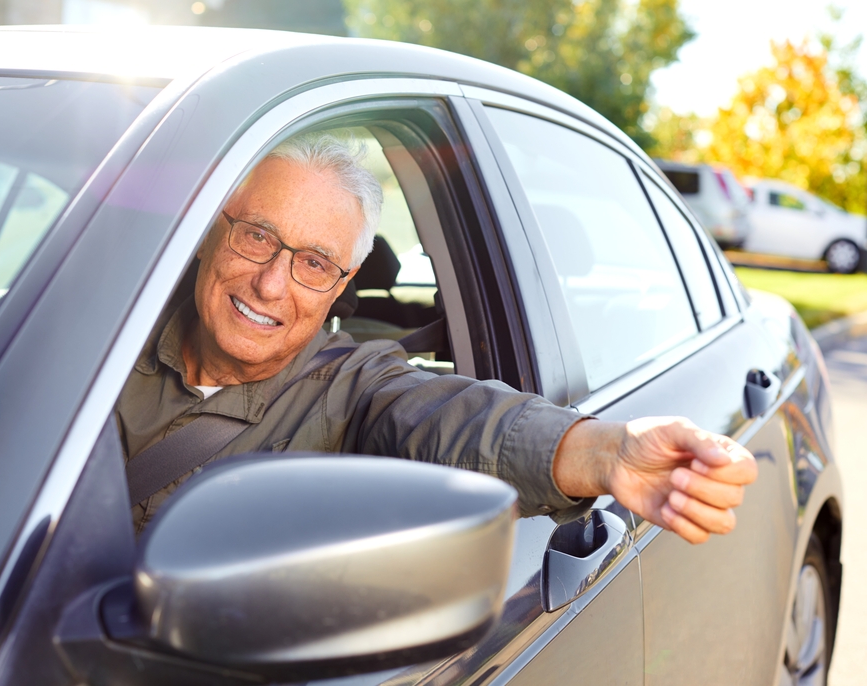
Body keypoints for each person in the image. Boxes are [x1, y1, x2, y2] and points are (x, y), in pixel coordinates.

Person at [115, 133, 757, 542]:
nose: (271, 285)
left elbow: (452, 421)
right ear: (210, 231)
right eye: (257, 235)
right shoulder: (101, 335)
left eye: (314, 264)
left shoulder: (356, 386)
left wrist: (603, 451)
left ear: (341, 287)